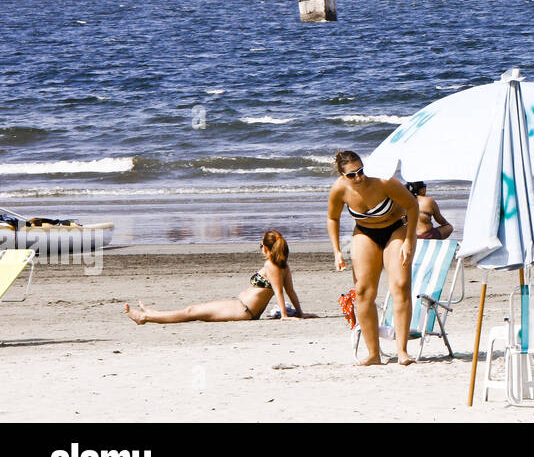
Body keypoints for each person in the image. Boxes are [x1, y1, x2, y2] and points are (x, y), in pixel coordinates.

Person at [327, 150, 419, 366]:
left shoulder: (384, 182)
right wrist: (337, 250)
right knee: (363, 291)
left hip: (397, 228)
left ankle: (402, 351)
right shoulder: (339, 190)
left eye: (361, 171)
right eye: (352, 175)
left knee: (400, 285)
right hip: (365, 232)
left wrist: (408, 240)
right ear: (342, 175)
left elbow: (412, 205)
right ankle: (373, 354)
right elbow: (332, 218)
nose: (359, 177)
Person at [125, 231, 309, 324]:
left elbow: (280, 292)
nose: (260, 249)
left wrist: (285, 315)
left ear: (267, 248)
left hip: (243, 310)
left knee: (191, 312)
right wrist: (300, 313)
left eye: (261, 245)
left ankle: (145, 317)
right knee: (193, 309)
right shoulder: (282, 266)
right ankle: (151, 313)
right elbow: (290, 291)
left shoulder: (272, 266)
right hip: (241, 307)